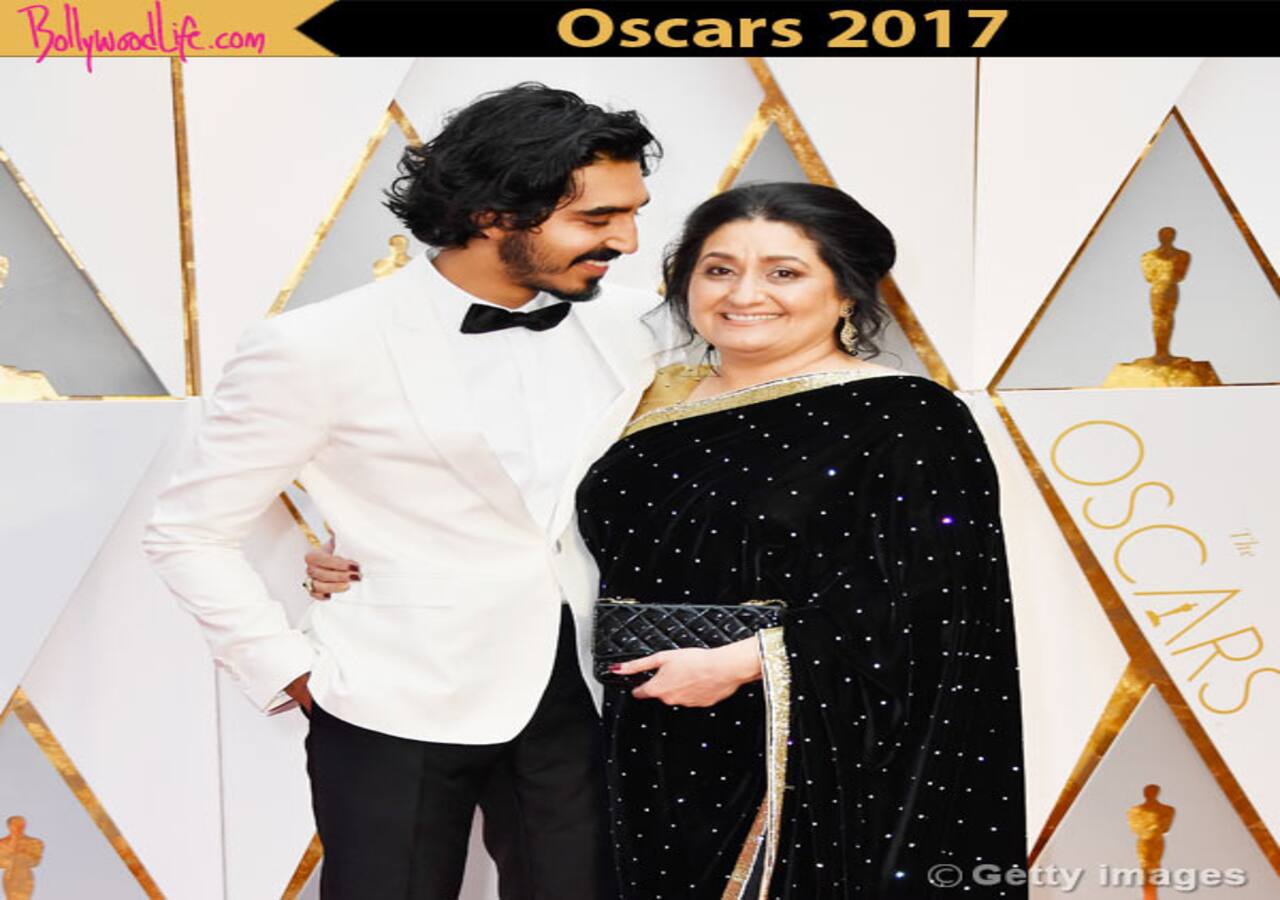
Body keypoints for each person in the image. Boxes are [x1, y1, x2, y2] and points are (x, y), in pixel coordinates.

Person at [308, 181, 1029, 898]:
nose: (744, 293)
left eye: (784, 272)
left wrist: (746, 662)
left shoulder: (906, 415)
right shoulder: (641, 391)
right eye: (718, 269)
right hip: (621, 728)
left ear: (847, 290)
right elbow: (528, 514)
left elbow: (937, 602)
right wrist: (367, 550)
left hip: (786, 736)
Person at [145, 83, 663, 900]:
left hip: (579, 689)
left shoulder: (642, 327)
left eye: (632, 213)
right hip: (391, 694)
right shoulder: (315, 347)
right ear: (493, 214)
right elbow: (187, 531)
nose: (628, 241)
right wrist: (288, 671)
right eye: (598, 218)